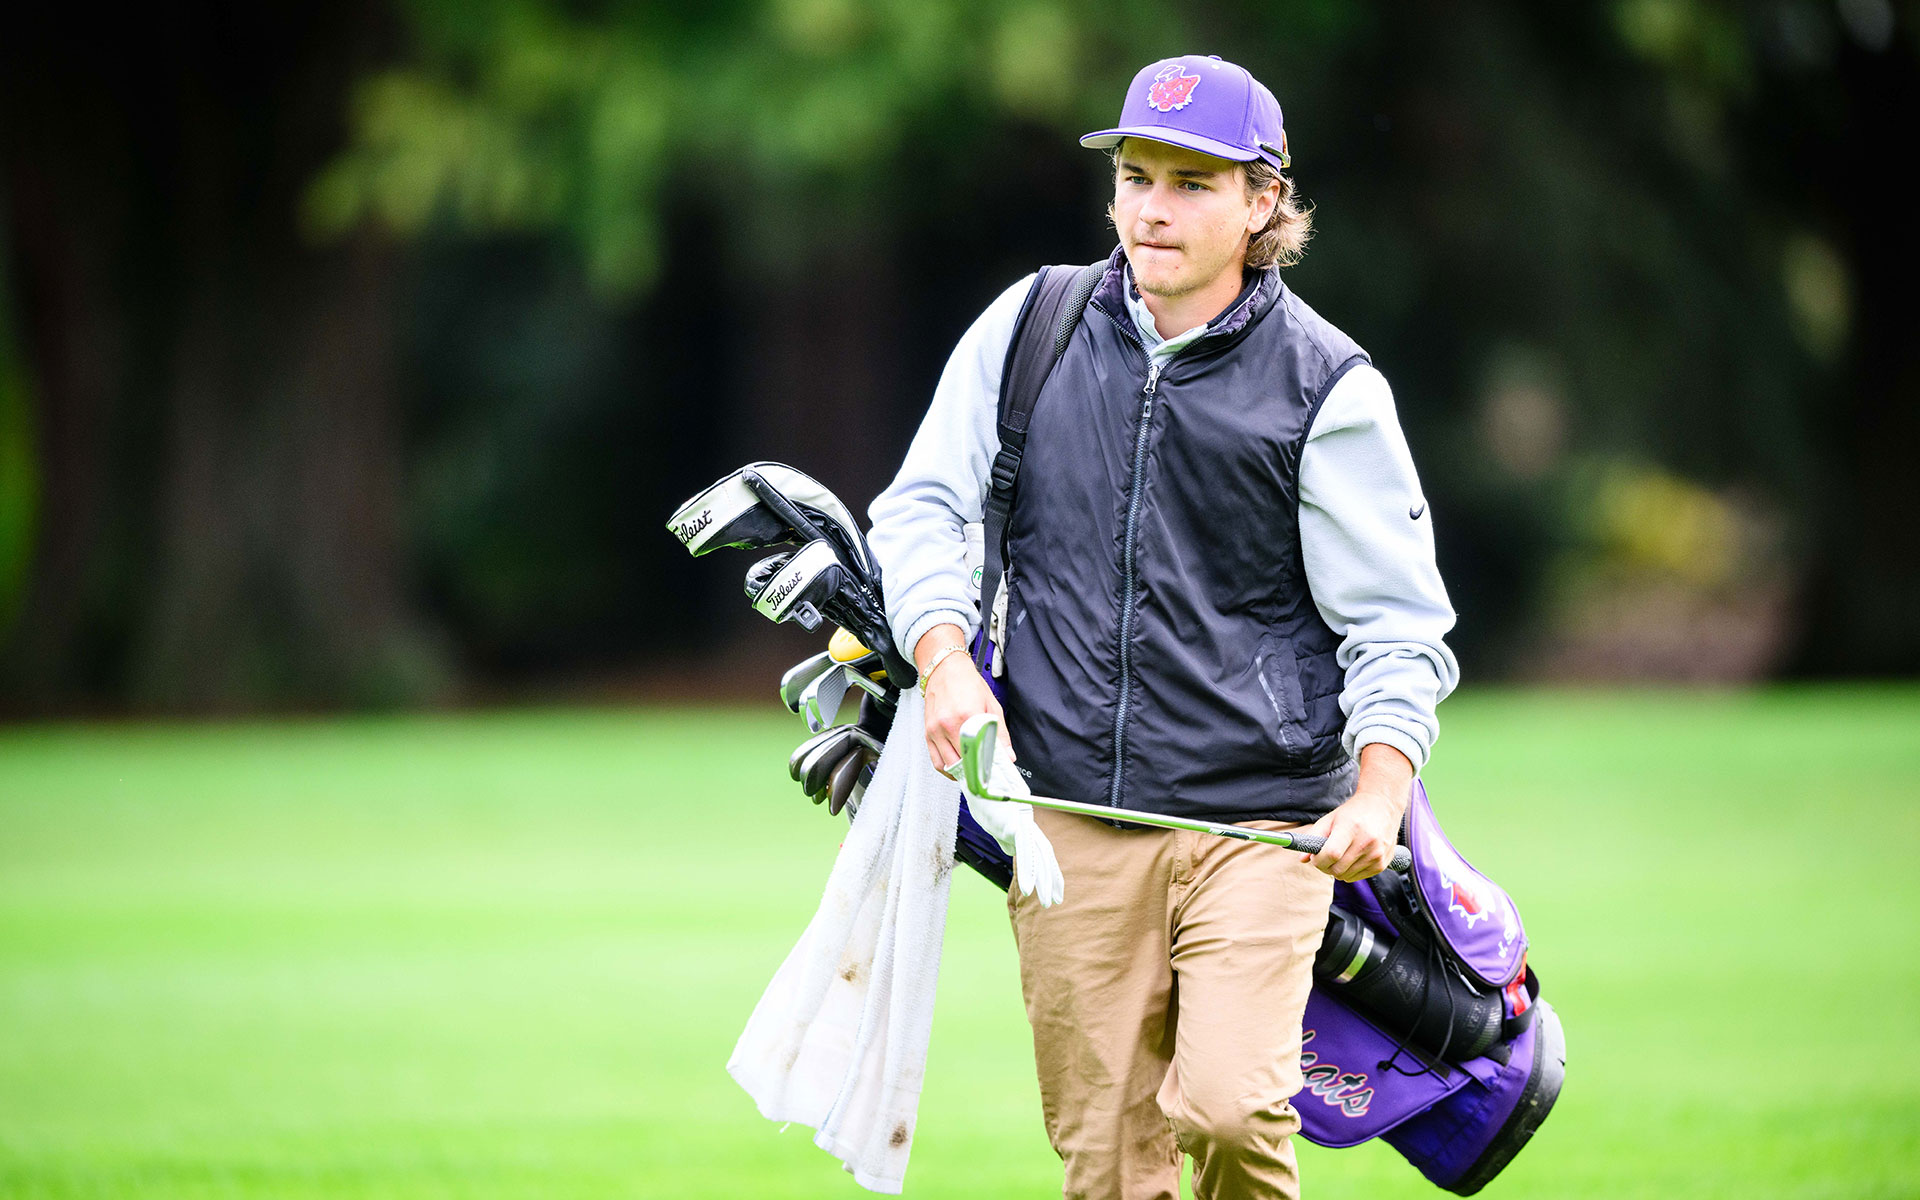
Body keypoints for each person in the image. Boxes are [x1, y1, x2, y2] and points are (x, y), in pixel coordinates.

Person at [867, 54, 1458, 1200]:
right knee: (1106, 1166)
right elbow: (923, 508)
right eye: (1136, 177)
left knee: (1231, 1110)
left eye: (1192, 183)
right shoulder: (1031, 326)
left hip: (1262, 822)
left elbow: (1395, 622)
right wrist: (942, 659)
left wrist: (1380, 793)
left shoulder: (1327, 385)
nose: (1151, 208)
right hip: (1070, 817)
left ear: (1263, 200)